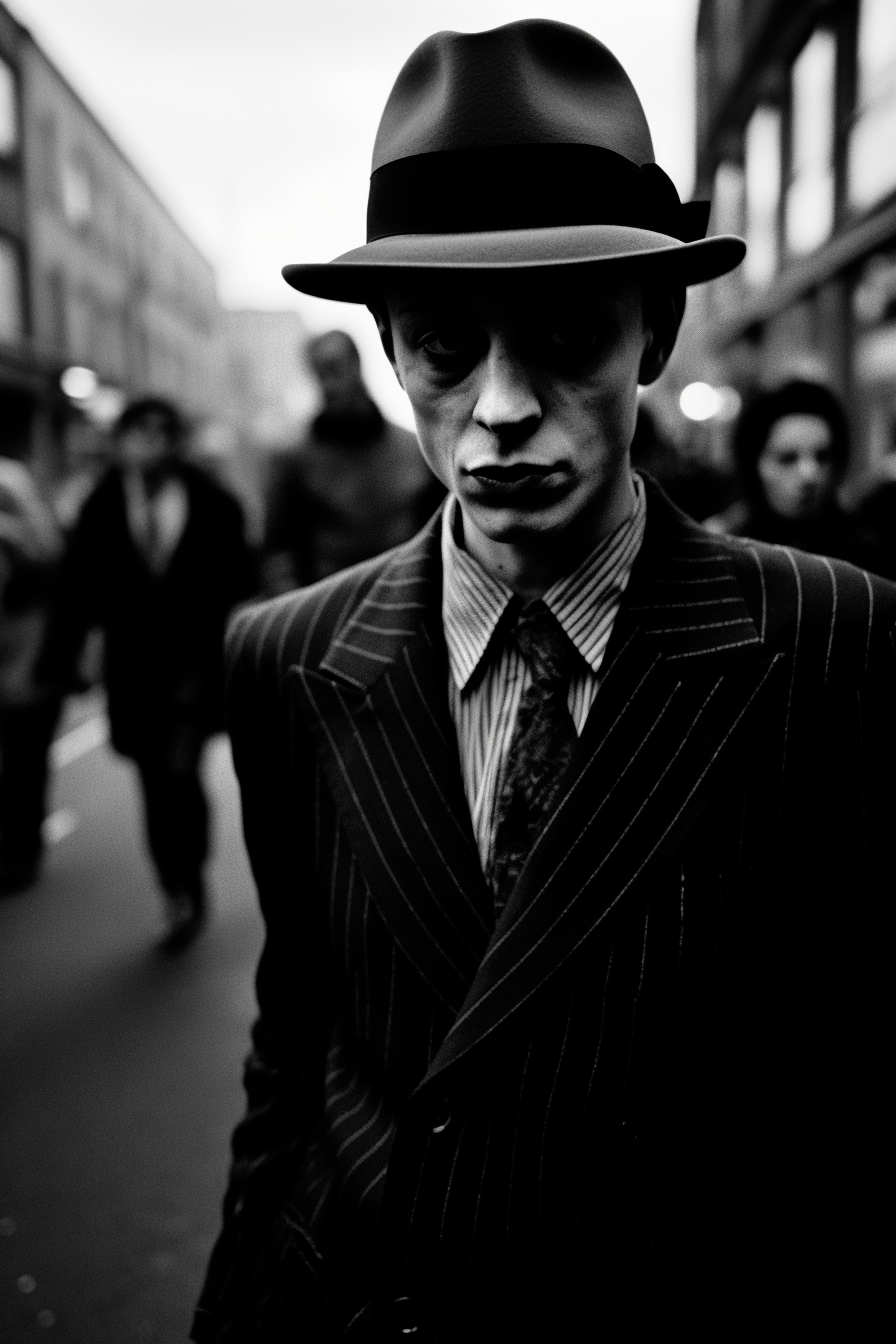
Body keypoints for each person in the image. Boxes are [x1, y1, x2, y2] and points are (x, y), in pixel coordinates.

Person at [195, 21, 892, 1342]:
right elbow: (298, 1039)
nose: (504, 406)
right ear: (392, 352)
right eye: (448, 348)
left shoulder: (839, 642)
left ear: (656, 330)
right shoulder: (283, 660)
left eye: (567, 335)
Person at [39, 397, 257, 950]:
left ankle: (189, 874)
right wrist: (59, 659)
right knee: (153, 783)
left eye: (163, 431)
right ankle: (174, 884)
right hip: (134, 670)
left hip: (194, 665)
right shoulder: (101, 505)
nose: (150, 442)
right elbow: (76, 587)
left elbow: (244, 580)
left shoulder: (212, 501)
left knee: (180, 773)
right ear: (121, 439)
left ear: (177, 441)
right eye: (139, 431)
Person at [262, 330, 444, 592]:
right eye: (319, 374)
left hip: (410, 599)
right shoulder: (293, 460)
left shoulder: (414, 449)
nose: (329, 385)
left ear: (356, 365)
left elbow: (446, 535)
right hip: (331, 607)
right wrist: (300, 613)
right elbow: (277, 556)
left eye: (334, 369)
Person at [0, 457, 63, 894]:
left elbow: (48, 554)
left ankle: (21, 851)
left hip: (26, 662)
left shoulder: (10, 482)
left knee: (22, 763)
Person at [708, 378, 858, 557]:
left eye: (822, 457)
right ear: (753, 466)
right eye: (787, 458)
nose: (810, 474)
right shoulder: (719, 547)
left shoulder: (869, 553)